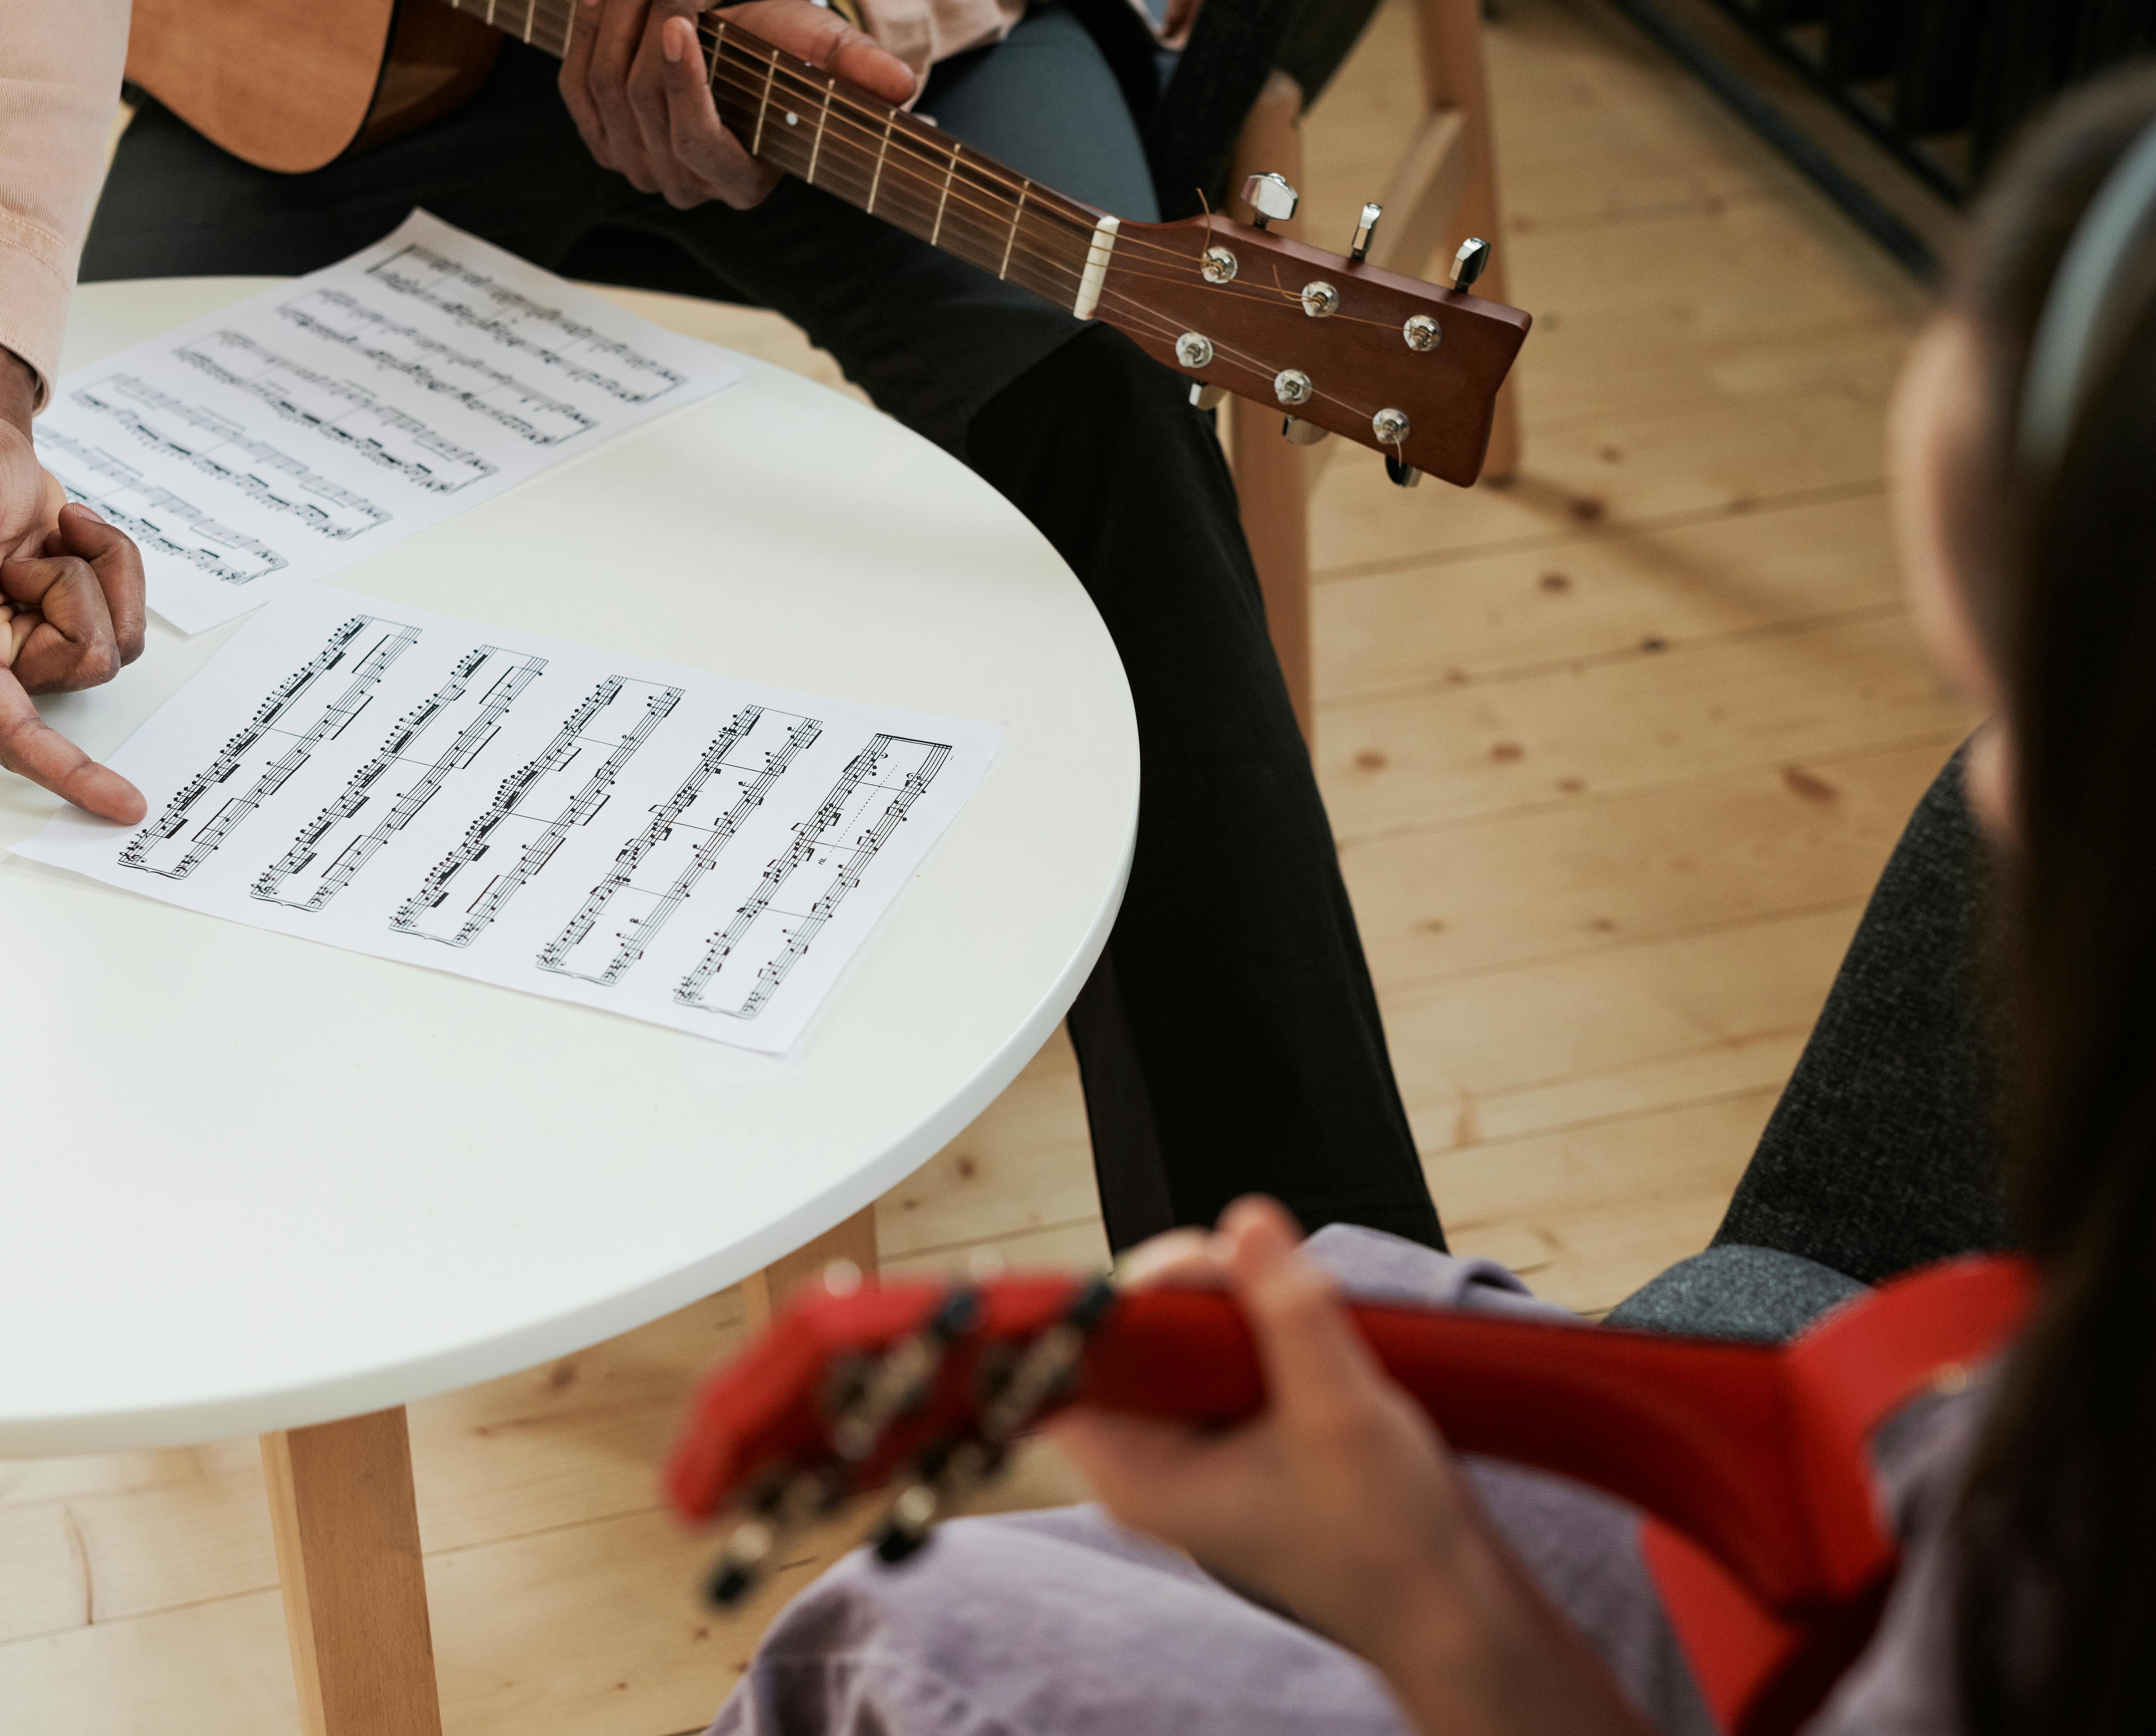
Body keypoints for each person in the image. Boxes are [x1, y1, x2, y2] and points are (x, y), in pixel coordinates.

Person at [707, 66, 2156, 1736]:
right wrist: (1434, 1346)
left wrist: (1424, 1595)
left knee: (904, 1640)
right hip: (1937, 1471)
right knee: (1336, 1299)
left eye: (2021, 712)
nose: (1981, 792)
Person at [0, 0, 1443, 1255]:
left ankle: (1343, 1338)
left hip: (867, 51)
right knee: (115, 507)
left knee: (1099, 408)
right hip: (356, 80)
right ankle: (231, 1224)